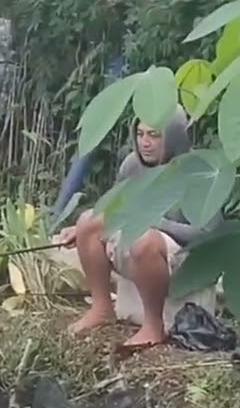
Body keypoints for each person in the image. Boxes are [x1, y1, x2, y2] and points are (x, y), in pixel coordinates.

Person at [60, 110, 209, 347]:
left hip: (182, 254)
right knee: (89, 220)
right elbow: (113, 206)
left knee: (144, 239)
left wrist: (149, 221)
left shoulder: (201, 172)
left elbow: (208, 235)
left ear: (173, 137)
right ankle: (101, 308)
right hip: (138, 240)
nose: (145, 143)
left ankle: (154, 326)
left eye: (154, 135)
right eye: (140, 134)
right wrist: (80, 229)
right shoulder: (132, 165)